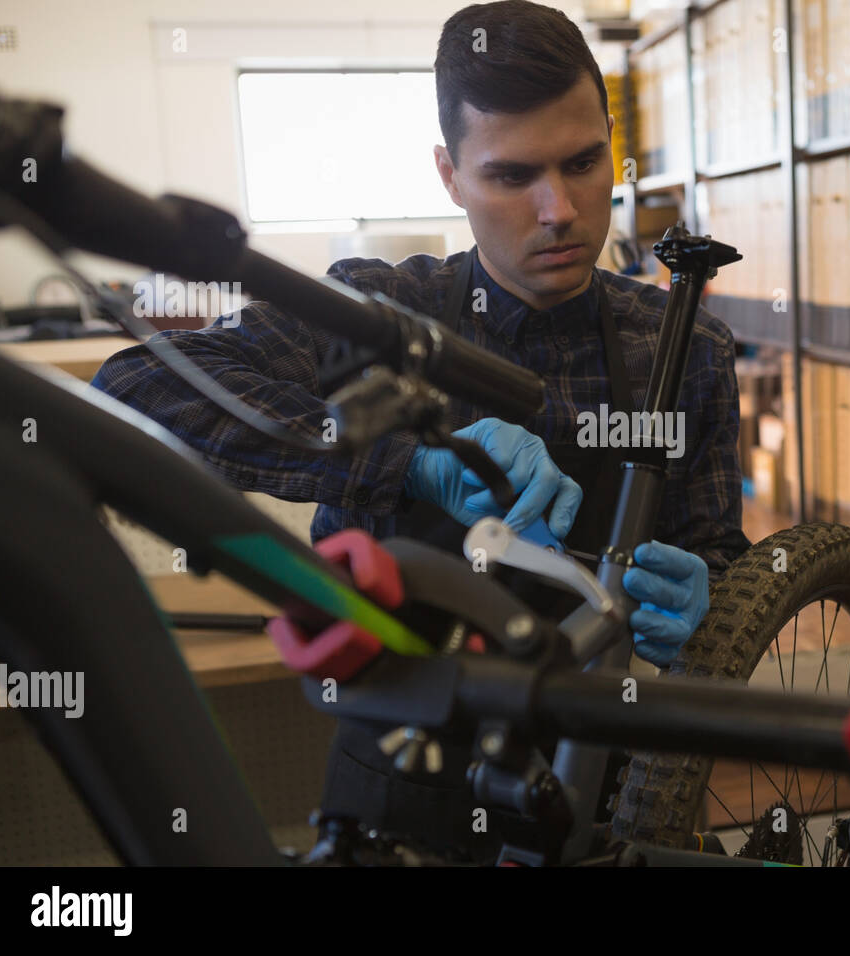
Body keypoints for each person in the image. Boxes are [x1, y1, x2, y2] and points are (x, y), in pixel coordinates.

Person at [91, 0, 750, 861]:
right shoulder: (377, 317)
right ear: (450, 174)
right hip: (399, 791)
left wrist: (711, 607)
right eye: (512, 176)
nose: (559, 209)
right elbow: (136, 385)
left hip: (604, 784)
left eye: (585, 162)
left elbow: (726, 565)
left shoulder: (684, 345)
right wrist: (404, 461)